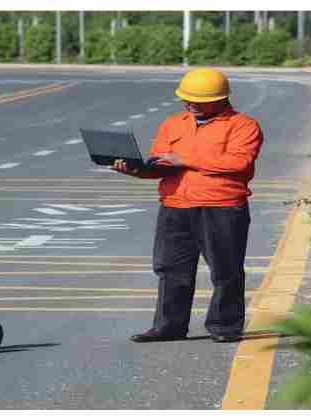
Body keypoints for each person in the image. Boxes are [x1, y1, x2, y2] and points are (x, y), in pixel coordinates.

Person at [111, 68, 264, 343]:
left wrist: (185, 159)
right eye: (186, 98)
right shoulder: (174, 123)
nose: (190, 104)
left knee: (225, 269)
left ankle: (225, 327)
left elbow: (238, 162)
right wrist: (136, 170)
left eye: (198, 99)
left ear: (220, 98)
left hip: (221, 206)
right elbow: (162, 164)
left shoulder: (243, 126)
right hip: (175, 205)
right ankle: (169, 326)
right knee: (170, 269)